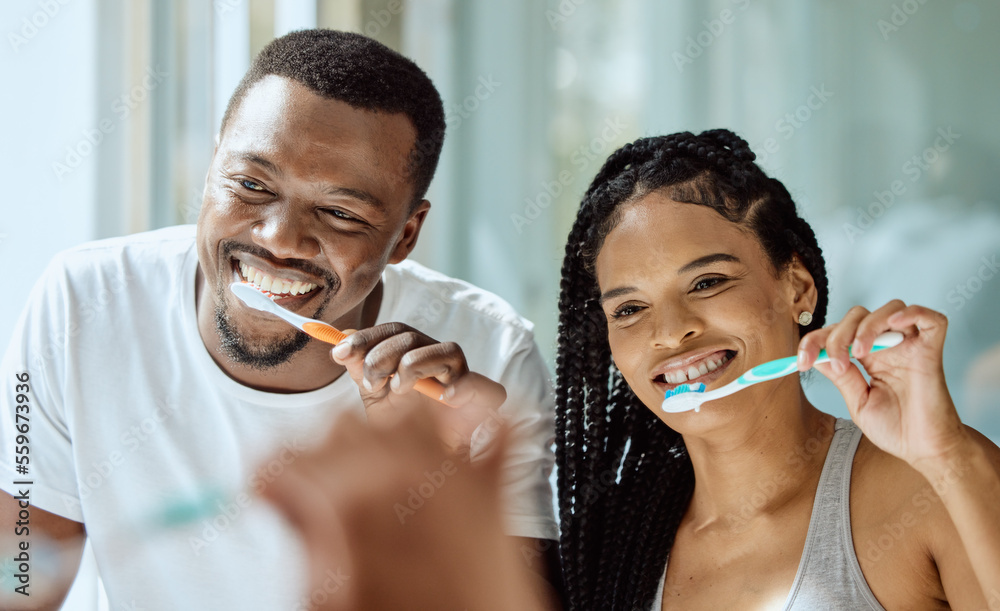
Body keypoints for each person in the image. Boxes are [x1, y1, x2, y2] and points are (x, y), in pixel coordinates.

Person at [263, 129, 1000, 611]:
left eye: (708, 282)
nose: (673, 331)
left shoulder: (928, 485)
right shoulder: (613, 539)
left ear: (797, 288)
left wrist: (950, 452)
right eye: (629, 309)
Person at [0, 30, 559, 610]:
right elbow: (18, 578)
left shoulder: (490, 356)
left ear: (405, 236)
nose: (279, 239)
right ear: (213, 163)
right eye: (249, 185)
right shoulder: (84, 302)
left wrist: (440, 495)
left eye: (341, 213)